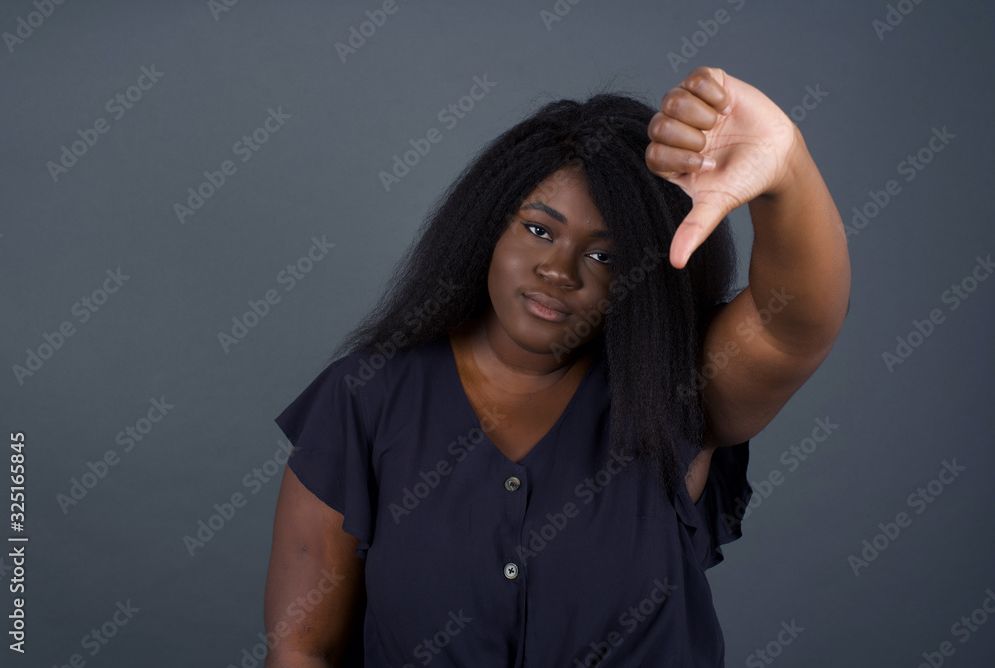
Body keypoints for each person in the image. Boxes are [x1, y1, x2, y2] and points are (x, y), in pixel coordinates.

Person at [262, 66, 851, 667]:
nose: (560, 271)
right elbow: (302, 646)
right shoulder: (366, 398)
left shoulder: (679, 385)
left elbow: (793, 323)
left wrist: (786, 167)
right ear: (489, 227)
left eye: (603, 254)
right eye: (540, 229)